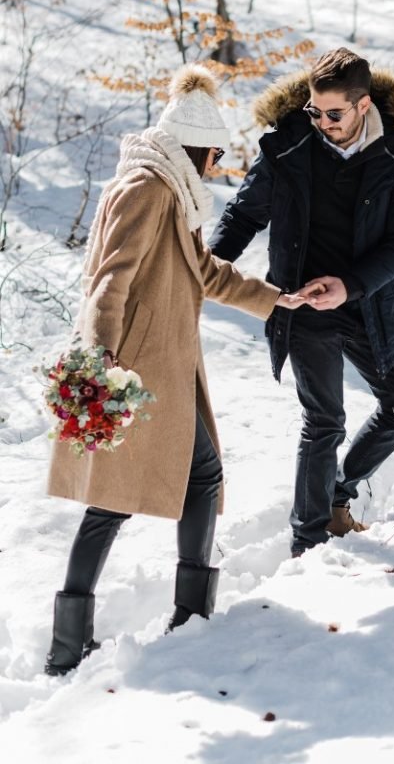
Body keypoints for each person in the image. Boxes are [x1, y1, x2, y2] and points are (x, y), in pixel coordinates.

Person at [44, 64, 306, 676]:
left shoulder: (171, 188)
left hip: (164, 367)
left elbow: (205, 273)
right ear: (195, 146)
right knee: (127, 495)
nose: (217, 163)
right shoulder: (148, 187)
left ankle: (140, 625)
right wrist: (97, 361)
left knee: (161, 488)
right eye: (214, 152)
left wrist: (275, 298)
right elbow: (111, 280)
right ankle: (119, 631)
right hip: (134, 372)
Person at [208, 47, 394, 557]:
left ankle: (336, 496)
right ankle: (308, 543)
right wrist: (207, 269)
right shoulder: (287, 147)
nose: (322, 122)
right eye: (314, 110)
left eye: (333, 114)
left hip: (368, 303)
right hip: (300, 304)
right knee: (324, 421)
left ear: (363, 106)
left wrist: (349, 286)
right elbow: (243, 216)